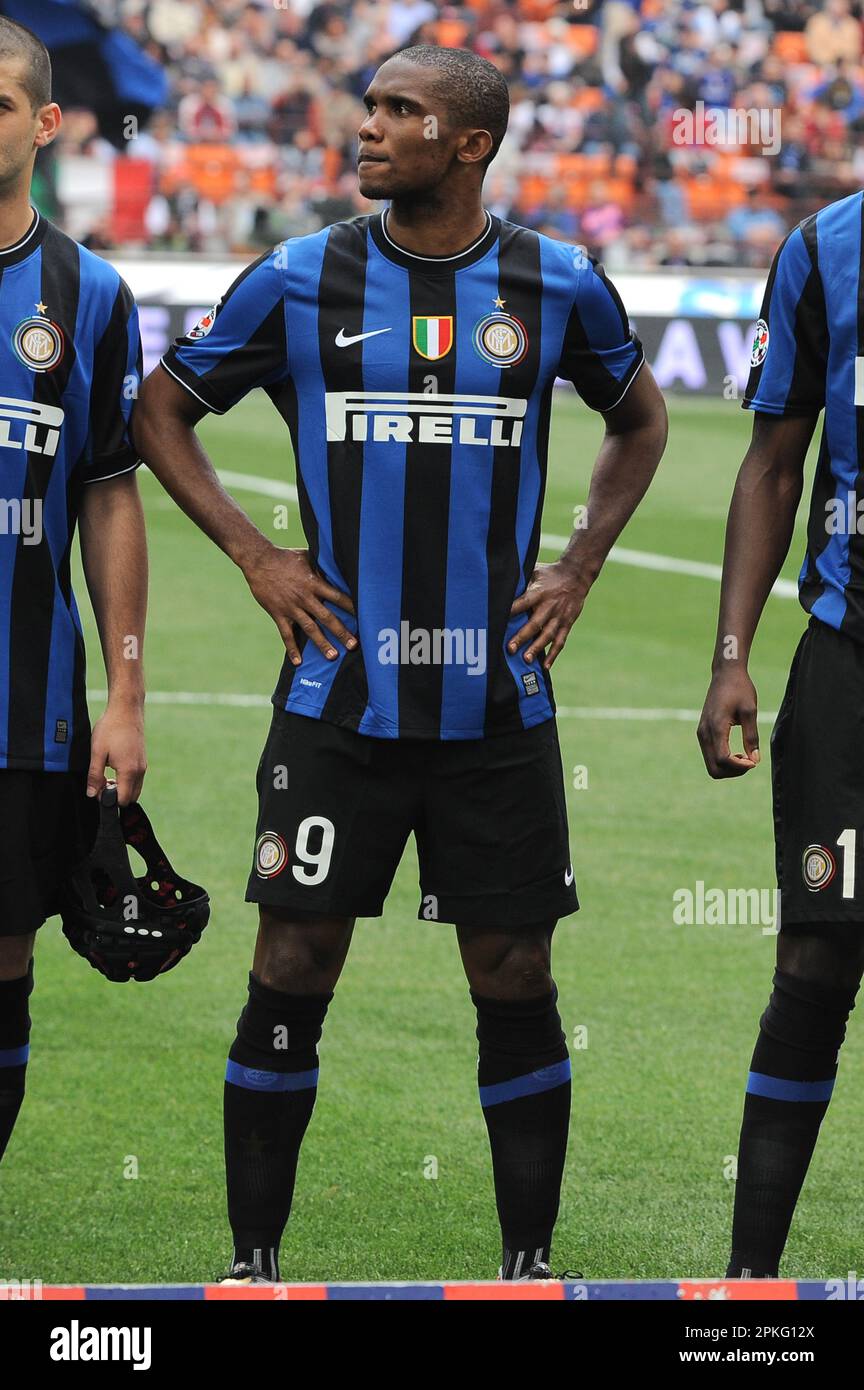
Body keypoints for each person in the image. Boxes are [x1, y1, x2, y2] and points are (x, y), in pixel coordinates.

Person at [134, 44, 667, 1284]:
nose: (367, 129)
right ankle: (254, 1265)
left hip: (496, 705)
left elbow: (636, 419)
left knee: (515, 968)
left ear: (470, 144)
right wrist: (258, 556)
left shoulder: (561, 283)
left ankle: (529, 1264)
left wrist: (580, 561)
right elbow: (158, 409)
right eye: (369, 106)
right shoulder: (296, 276)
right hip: (337, 699)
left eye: (399, 112)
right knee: (291, 959)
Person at [698, 190, 864, 1277]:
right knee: (817, 954)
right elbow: (772, 463)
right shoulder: (822, 248)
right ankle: (749, 1280)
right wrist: (731, 656)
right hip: (851, 657)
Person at [0, 18, 147, 1164]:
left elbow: (107, 493)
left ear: (46, 124)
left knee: (5, 956)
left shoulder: (87, 295)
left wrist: (127, 695)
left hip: (23, 701)